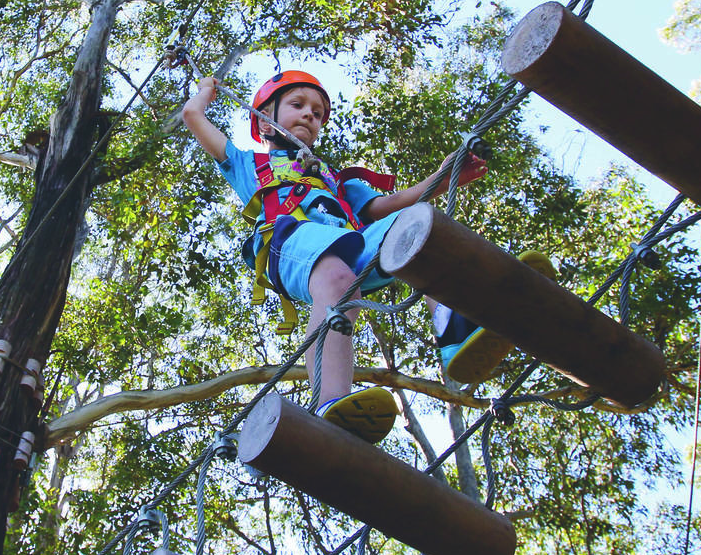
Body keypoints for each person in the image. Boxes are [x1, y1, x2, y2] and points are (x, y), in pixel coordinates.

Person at [182, 69, 488, 444]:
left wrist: (442, 178)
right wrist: (205, 90)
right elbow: (193, 116)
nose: (309, 115)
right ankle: (330, 402)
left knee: (420, 225)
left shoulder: (336, 179)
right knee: (338, 280)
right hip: (289, 242)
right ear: (263, 122)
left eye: (317, 112)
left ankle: (456, 333)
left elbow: (388, 205)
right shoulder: (249, 164)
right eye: (297, 105)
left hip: (351, 245)